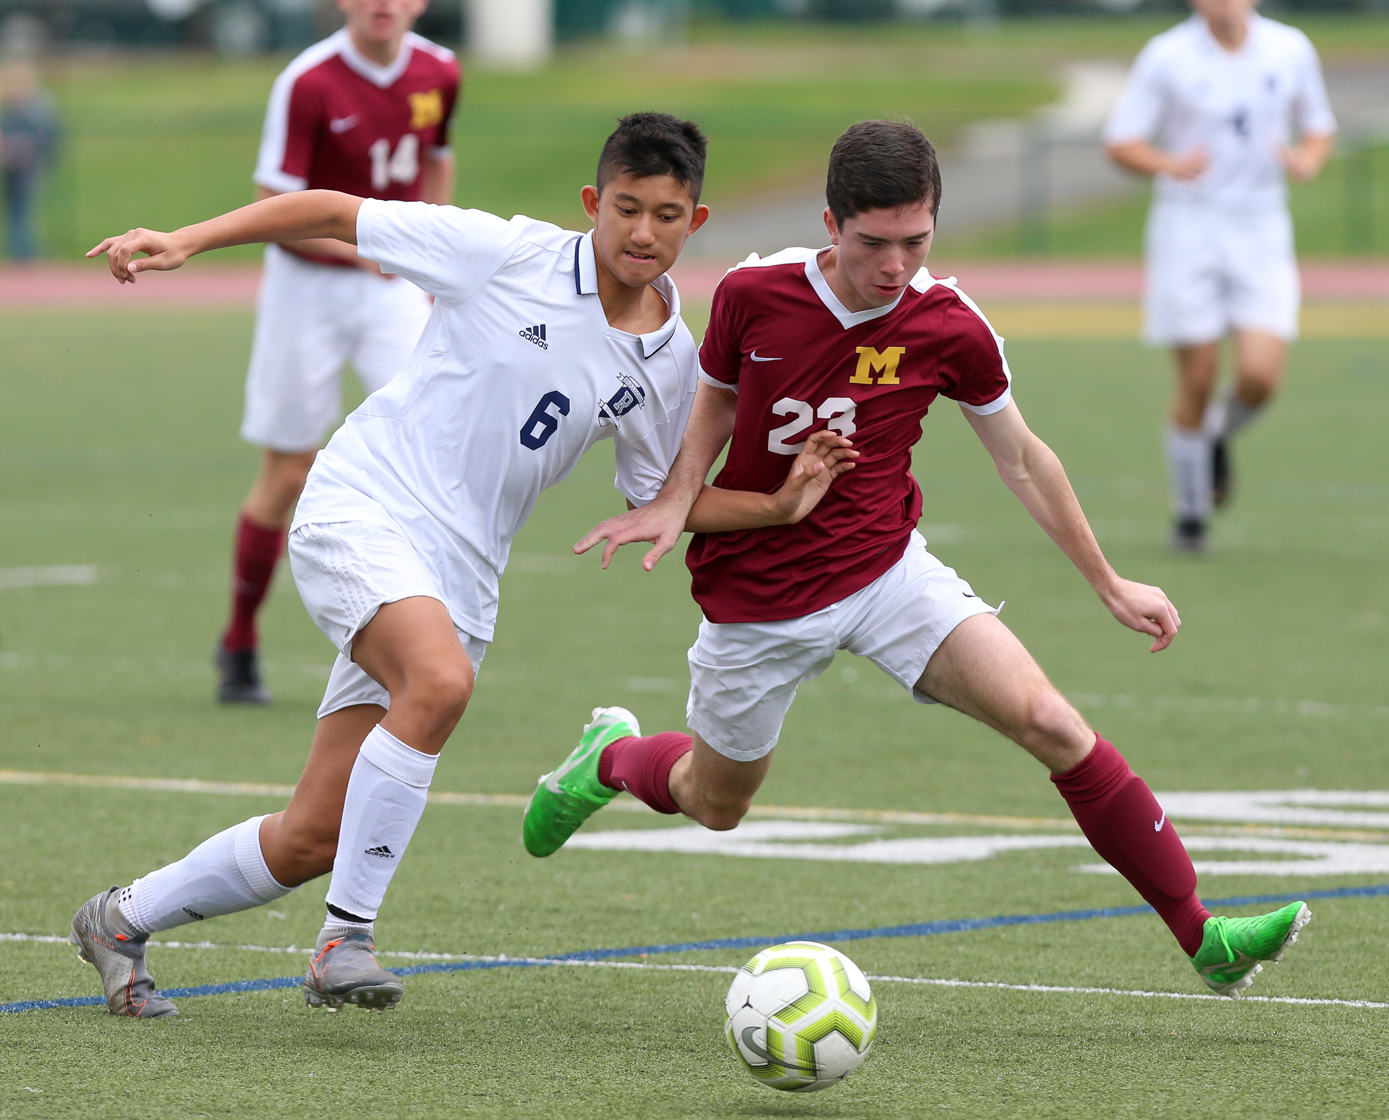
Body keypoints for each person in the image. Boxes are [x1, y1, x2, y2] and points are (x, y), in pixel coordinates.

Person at [70, 113, 858, 1019]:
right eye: (629, 209)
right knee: (438, 683)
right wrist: (188, 239)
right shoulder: (501, 252)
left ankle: (119, 920)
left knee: (312, 835)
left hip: (461, 577)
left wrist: (778, 505)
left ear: (698, 219)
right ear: (593, 204)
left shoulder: (669, 358)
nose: (645, 234)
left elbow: (663, 501)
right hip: (364, 506)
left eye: (669, 216)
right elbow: (333, 210)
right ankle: (344, 942)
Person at [523, 120, 1311, 999]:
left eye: (915, 240)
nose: (895, 265)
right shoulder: (754, 293)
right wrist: (676, 499)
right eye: (873, 243)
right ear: (831, 224)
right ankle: (610, 757)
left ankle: (1205, 937)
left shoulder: (950, 324)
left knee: (1052, 724)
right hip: (759, 596)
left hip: (888, 574)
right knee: (715, 803)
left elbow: (1022, 457)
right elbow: (713, 400)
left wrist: (1108, 580)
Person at [217, 0, 461, 703]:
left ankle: (420, 649)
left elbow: (438, 161)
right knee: (289, 471)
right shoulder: (309, 80)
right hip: (309, 286)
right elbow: (275, 205)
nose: (383, 3)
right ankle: (239, 639)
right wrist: (366, 255)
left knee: (427, 452)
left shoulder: (440, 71)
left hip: (389, 285)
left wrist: (431, 250)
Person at [1103, 0, 1335, 552]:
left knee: (1260, 378)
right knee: (1199, 377)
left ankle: (1211, 438)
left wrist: (1307, 160)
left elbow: (1318, 127)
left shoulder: (1291, 47)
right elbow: (1121, 141)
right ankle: (1190, 517)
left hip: (1262, 226)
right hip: (1189, 225)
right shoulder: (1167, 55)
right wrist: (1168, 163)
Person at [0, 56, 58, 261]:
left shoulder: (36, 113)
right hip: (9, 170)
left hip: (27, 170)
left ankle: (23, 253)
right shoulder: (7, 113)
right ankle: (18, 253)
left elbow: (46, 141)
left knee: (23, 212)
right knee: (12, 213)